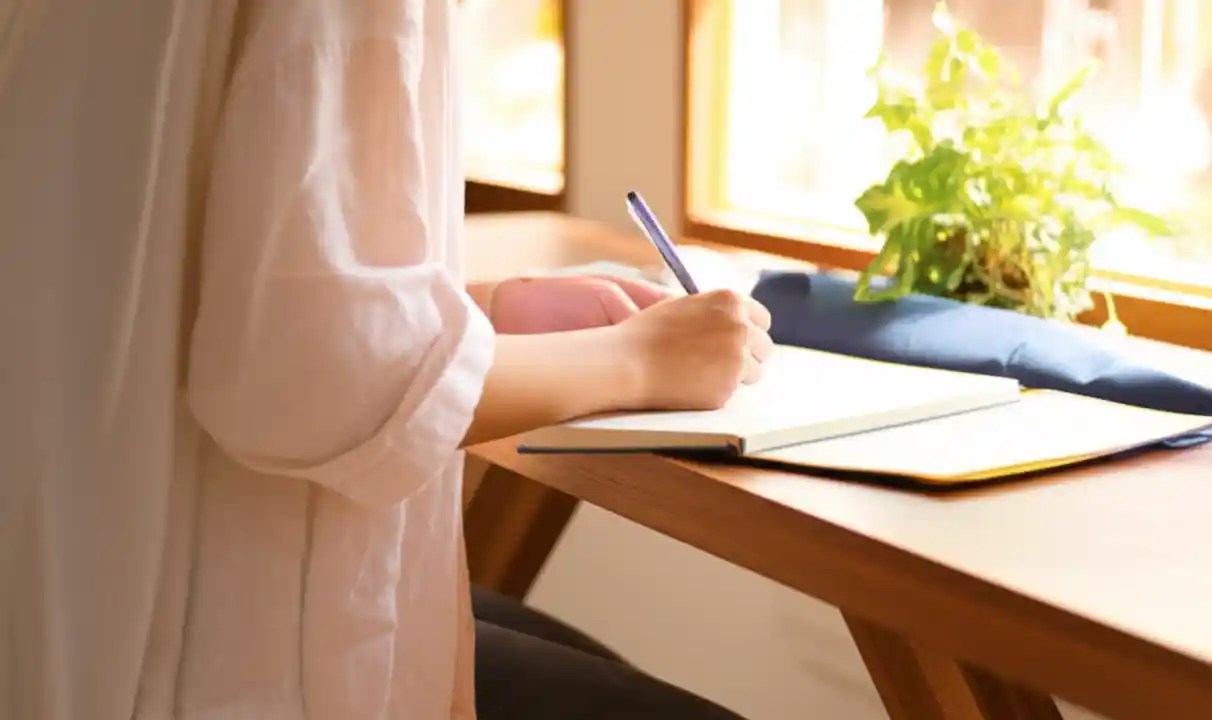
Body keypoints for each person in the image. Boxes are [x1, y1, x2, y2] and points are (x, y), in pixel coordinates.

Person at [0, 1, 771, 718]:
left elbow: (171, 270)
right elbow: (305, 385)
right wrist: (638, 361)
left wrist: (484, 310)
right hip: (187, 650)